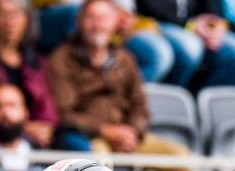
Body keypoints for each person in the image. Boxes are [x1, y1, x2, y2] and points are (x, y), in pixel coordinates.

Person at [46, 0, 187, 156]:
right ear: (79, 21)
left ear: (115, 23)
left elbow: (140, 106)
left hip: (128, 136)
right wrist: (105, 130)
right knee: (100, 164)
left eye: (104, 19)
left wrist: (132, 133)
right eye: (91, 18)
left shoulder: (125, 58)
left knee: (180, 156)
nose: (97, 25)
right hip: (91, 137)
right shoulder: (62, 59)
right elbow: (64, 113)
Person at [0, 0, 59, 149]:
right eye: (3, 14)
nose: (10, 21)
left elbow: (45, 105)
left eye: (16, 14)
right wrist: (22, 126)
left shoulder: (35, 60)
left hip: (31, 137)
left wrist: (45, 128)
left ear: (27, 19)